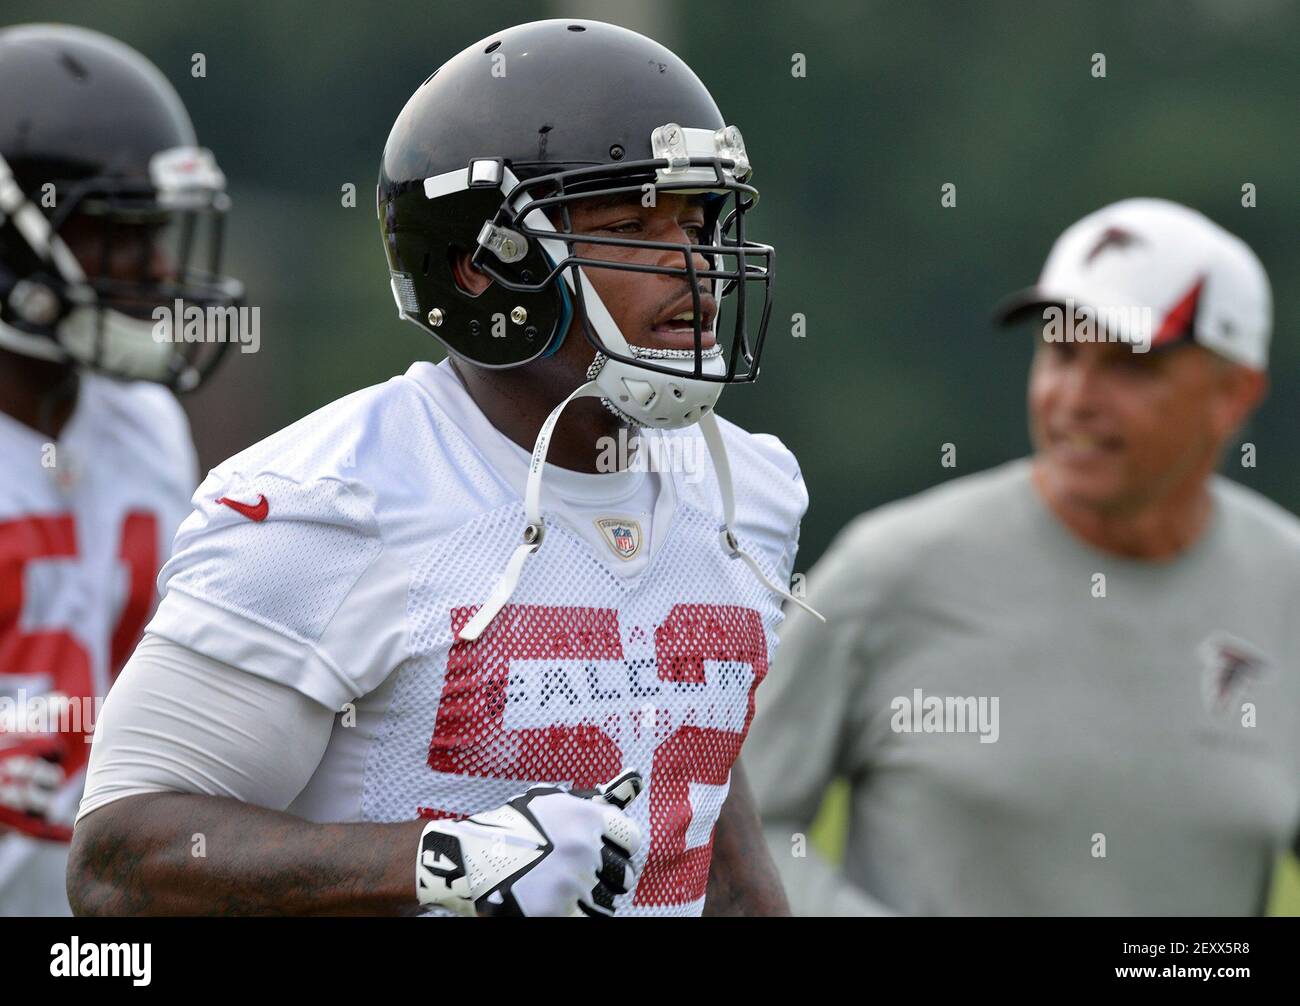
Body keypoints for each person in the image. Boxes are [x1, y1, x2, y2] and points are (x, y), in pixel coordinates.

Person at [68, 19, 813, 917]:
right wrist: (439, 862)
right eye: (629, 226)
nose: (693, 265)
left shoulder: (749, 491)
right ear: (476, 269)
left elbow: (695, 812)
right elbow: (119, 863)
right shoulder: (334, 503)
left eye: (696, 221)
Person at [747, 197, 1300, 915]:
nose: (1074, 398)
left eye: (1128, 365)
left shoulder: (1285, 586)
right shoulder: (889, 571)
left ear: (1234, 395)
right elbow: (735, 820)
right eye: (1061, 351)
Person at [0, 24, 242, 915]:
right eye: (116, 233)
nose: (158, 269)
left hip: (96, 904)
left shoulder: (144, 426)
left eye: (159, 232)